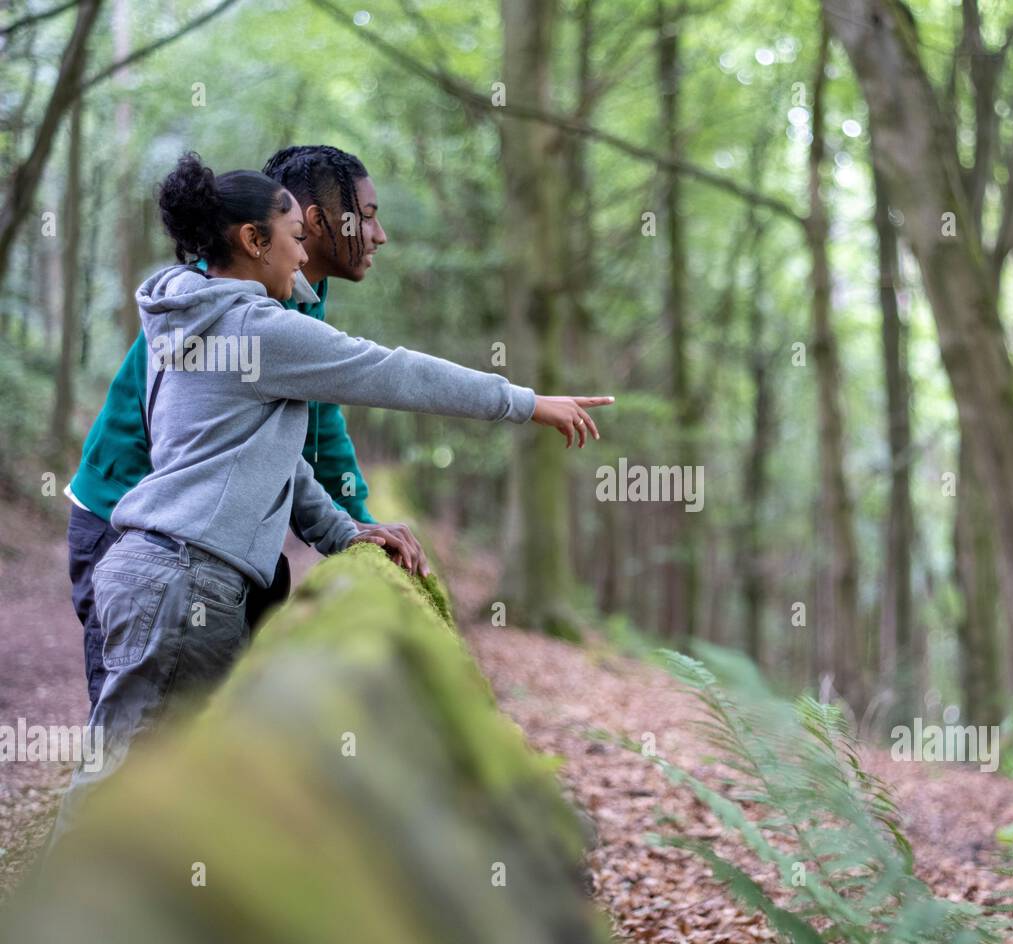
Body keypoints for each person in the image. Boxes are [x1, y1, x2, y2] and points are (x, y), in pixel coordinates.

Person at [45, 152, 612, 852]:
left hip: (161, 567)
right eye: (294, 238)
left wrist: (345, 531)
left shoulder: (184, 320)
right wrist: (526, 403)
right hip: (181, 579)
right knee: (126, 781)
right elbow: (393, 371)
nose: (303, 255)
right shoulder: (260, 330)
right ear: (255, 242)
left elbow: (279, 462)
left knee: (154, 776)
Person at [64, 145, 425, 714]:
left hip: (202, 545)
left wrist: (355, 526)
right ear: (309, 219)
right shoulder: (227, 304)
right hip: (132, 522)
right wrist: (524, 403)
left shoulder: (285, 293)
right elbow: (371, 381)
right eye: (368, 214)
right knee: (139, 732)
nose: (378, 234)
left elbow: (310, 424)